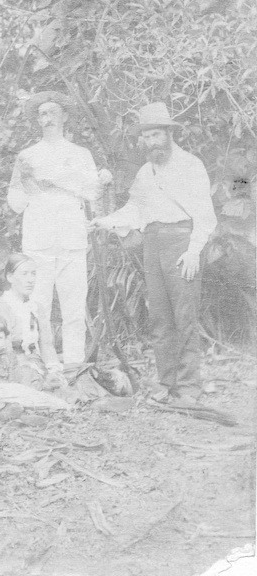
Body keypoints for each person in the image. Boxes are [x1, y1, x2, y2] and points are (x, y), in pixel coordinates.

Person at [92, 102, 217, 407]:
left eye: (156, 135)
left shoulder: (191, 165)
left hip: (181, 241)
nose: (151, 142)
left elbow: (205, 216)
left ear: (169, 134)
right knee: (160, 317)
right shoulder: (145, 172)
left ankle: (188, 387)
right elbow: (134, 208)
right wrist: (105, 221)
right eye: (146, 137)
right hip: (152, 243)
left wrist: (193, 251)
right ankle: (166, 382)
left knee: (184, 316)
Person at [7, 91, 106, 376]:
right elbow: (15, 203)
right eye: (42, 114)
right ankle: (40, 368)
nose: (48, 119)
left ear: (65, 116)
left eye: (53, 113)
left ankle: (74, 367)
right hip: (38, 243)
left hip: (72, 240)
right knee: (38, 307)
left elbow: (93, 192)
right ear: (37, 121)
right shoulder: (27, 156)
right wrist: (24, 180)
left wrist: (59, 181)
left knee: (74, 309)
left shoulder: (80, 155)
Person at [0, 254, 48, 387]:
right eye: (24, 274)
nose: (30, 280)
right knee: (34, 383)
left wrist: (53, 369)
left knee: (66, 380)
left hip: (34, 362)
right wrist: (29, 367)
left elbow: (47, 345)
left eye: (33, 274)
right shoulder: (2, 307)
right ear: (10, 277)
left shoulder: (36, 307)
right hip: (8, 365)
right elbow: (1, 350)